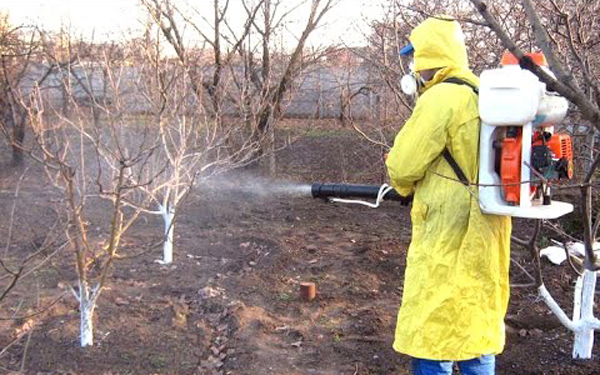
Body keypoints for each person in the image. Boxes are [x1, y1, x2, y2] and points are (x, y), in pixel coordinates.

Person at [385, 17, 512, 375]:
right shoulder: (481, 91)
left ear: (427, 59)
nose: (414, 67)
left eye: (416, 59)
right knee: (476, 320)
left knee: (433, 321)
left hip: (448, 225)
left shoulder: (441, 98)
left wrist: (403, 185)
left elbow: (403, 164)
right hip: (488, 221)